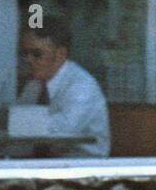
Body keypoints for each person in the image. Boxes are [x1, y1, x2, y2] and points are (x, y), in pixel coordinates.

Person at [17, 11, 110, 157]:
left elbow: (61, 133)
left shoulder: (82, 86)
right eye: (25, 53)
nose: (28, 60)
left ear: (60, 54)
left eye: (37, 54)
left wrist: (19, 123)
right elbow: (17, 122)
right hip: (43, 165)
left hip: (81, 167)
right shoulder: (33, 86)